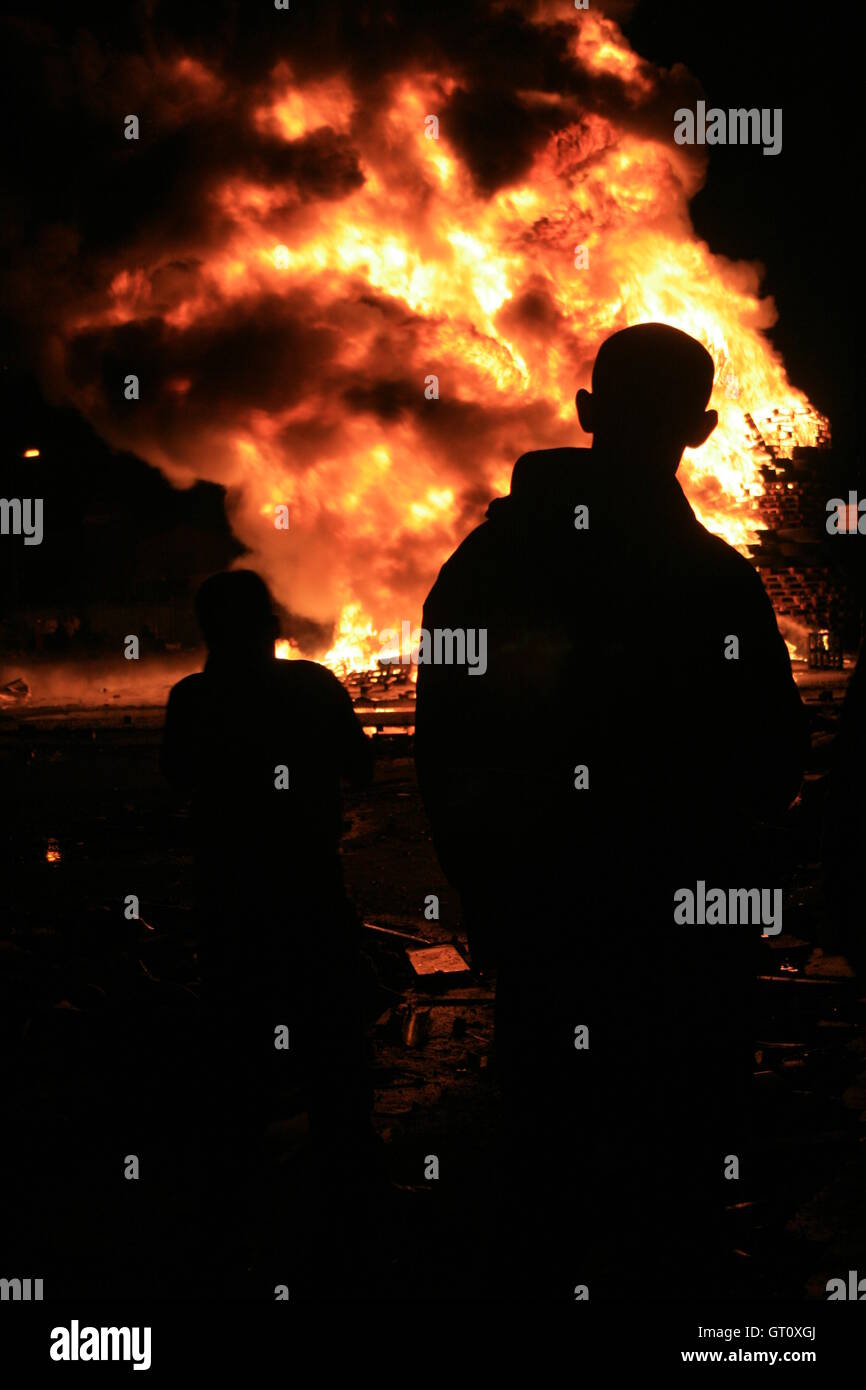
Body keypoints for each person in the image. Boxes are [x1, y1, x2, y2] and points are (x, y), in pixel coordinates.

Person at [415, 323, 809, 1298]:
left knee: (545, 1152)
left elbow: (447, 748)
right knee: (674, 1177)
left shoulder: (485, 567)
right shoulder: (713, 582)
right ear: (706, 428)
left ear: (585, 413)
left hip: (546, 920)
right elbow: (771, 762)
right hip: (682, 935)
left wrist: (489, 888)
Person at [162, 570, 376, 1285]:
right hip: (310, 888)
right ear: (272, 622)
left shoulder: (192, 699)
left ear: (208, 630)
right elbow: (365, 770)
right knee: (332, 1040)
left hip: (230, 895)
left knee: (236, 1033)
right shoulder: (315, 686)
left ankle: (232, 1204)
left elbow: (176, 782)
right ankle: (348, 1195)